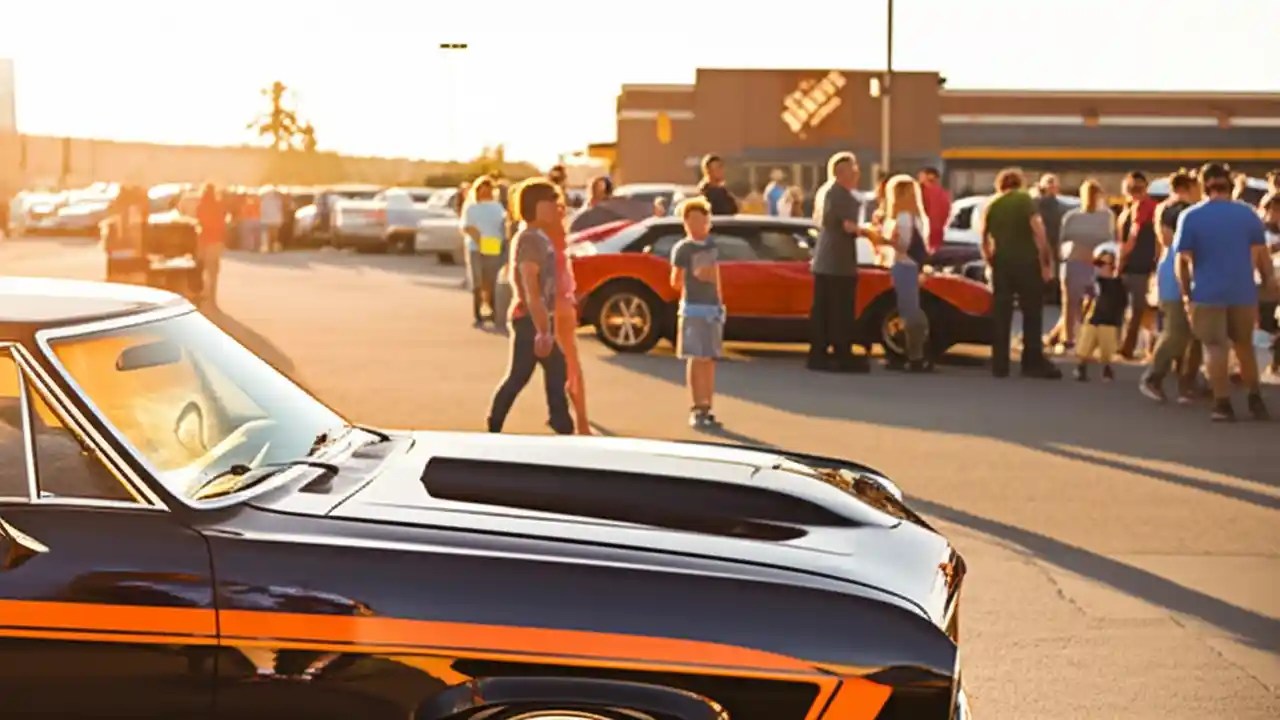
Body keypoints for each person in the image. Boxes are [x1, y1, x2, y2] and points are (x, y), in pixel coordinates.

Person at [1173, 162, 1278, 422]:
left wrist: (1186, 294)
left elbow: (1183, 260)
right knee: (1244, 346)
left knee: (1215, 346)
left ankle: (1222, 403)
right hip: (1242, 290)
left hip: (1207, 292)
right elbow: (1262, 255)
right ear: (1229, 184)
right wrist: (1268, 283)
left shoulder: (1191, 216)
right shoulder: (1248, 215)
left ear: (1204, 185)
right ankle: (1254, 398)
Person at [486, 178, 574, 435]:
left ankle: (560, 420)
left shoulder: (539, 236)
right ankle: (494, 424)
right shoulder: (529, 239)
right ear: (534, 206)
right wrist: (542, 330)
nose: (555, 209)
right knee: (519, 376)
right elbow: (530, 287)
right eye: (550, 203)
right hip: (529, 319)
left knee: (556, 367)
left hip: (537, 318)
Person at [979, 167, 1061, 379]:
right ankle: (1031, 361)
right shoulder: (1025, 200)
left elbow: (984, 239)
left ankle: (1000, 364)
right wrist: (1046, 263)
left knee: (1002, 314)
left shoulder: (992, 204)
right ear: (1020, 184)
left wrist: (991, 260)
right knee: (1032, 312)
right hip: (1026, 263)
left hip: (1002, 264)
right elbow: (1039, 232)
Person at [1141, 169, 1204, 403]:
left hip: (1182, 271)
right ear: (1188, 187)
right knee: (1177, 329)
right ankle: (1154, 376)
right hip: (1177, 273)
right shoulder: (1178, 209)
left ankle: (1189, 381)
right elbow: (1170, 241)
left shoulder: (1169, 208)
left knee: (1196, 331)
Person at [808, 151, 872, 373]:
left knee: (823, 310)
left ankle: (819, 353)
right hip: (838, 262)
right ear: (840, 173)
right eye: (853, 170)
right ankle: (841, 353)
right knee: (840, 310)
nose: (857, 174)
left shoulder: (828, 193)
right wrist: (872, 233)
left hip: (825, 260)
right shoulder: (842, 195)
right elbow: (848, 226)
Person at [670, 198, 725, 429]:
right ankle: (696, 406)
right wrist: (695, 274)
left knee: (709, 359)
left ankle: (708, 406)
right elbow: (674, 281)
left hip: (712, 308)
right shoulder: (683, 248)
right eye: (692, 220)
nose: (697, 224)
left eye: (702, 220)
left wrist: (721, 302)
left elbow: (718, 276)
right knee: (695, 357)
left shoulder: (712, 246)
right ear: (685, 223)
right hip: (692, 307)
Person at [879, 175, 933, 372]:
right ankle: (914, 354)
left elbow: (903, 245)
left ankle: (915, 356)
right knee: (911, 310)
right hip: (914, 266)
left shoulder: (902, 218)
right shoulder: (918, 217)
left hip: (904, 265)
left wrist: (884, 240)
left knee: (908, 312)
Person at [1053, 179, 1112, 352]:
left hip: (1096, 264)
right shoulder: (1071, 217)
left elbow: (1110, 241)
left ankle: (1084, 337)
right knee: (1071, 304)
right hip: (1075, 262)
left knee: (1093, 303)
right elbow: (1062, 243)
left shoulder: (1106, 216)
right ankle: (1069, 338)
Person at [547, 214, 592, 435]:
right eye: (561, 231)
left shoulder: (562, 256)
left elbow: (568, 286)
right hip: (554, 314)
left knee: (570, 368)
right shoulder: (550, 255)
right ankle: (571, 418)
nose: (565, 235)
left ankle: (580, 419)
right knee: (565, 368)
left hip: (564, 312)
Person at [1116, 172, 1159, 358]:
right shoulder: (1130, 208)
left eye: (1138, 188)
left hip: (1140, 265)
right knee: (1140, 309)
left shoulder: (1144, 207)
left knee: (1138, 309)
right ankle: (1141, 346)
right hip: (1135, 265)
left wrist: (1120, 259)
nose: (1135, 192)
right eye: (1131, 189)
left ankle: (1128, 346)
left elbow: (1132, 238)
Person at [1073, 248, 1127, 382]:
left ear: (1112, 266)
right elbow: (1086, 299)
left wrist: (1120, 320)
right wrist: (1081, 314)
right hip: (1092, 319)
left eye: (1102, 264)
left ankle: (1107, 368)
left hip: (1109, 321)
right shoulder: (1094, 282)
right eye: (1097, 264)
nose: (1099, 267)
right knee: (1085, 346)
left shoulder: (1118, 284)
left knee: (1107, 349)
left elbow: (1122, 303)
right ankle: (1081, 367)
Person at [461, 176, 508, 327]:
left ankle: (493, 310)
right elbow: (468, 227)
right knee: (478, 280)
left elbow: (503, 226)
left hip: (493, 244)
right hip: (476, 247)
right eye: (482, 189)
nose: (485, 192)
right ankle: (478, 311)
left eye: (488, 189)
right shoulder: (471, 207)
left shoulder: (497, 207)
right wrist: (480, 242)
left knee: (491, 279)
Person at [195, 183, 227, 309]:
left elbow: (199, 221)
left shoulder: (201, 206)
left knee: (201, 268)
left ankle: (203, 294)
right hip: (216, 240)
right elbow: (222, 223)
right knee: (213, 270)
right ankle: (212, 297)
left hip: (204, 239)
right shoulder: (219, 206)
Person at [917, 166, 952, 254]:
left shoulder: (920, 192)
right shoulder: (943, 194)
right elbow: (946, 213)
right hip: (938, 233)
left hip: (922, 233)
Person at [258, 186, 284, 253]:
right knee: (273, 233)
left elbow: (262, 210)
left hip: (269, 218)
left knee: (270, 233)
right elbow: (280, 209)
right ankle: (271, 246)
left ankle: (271, 246)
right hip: (273, 218)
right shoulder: (277, 200)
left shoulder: (264, 200)